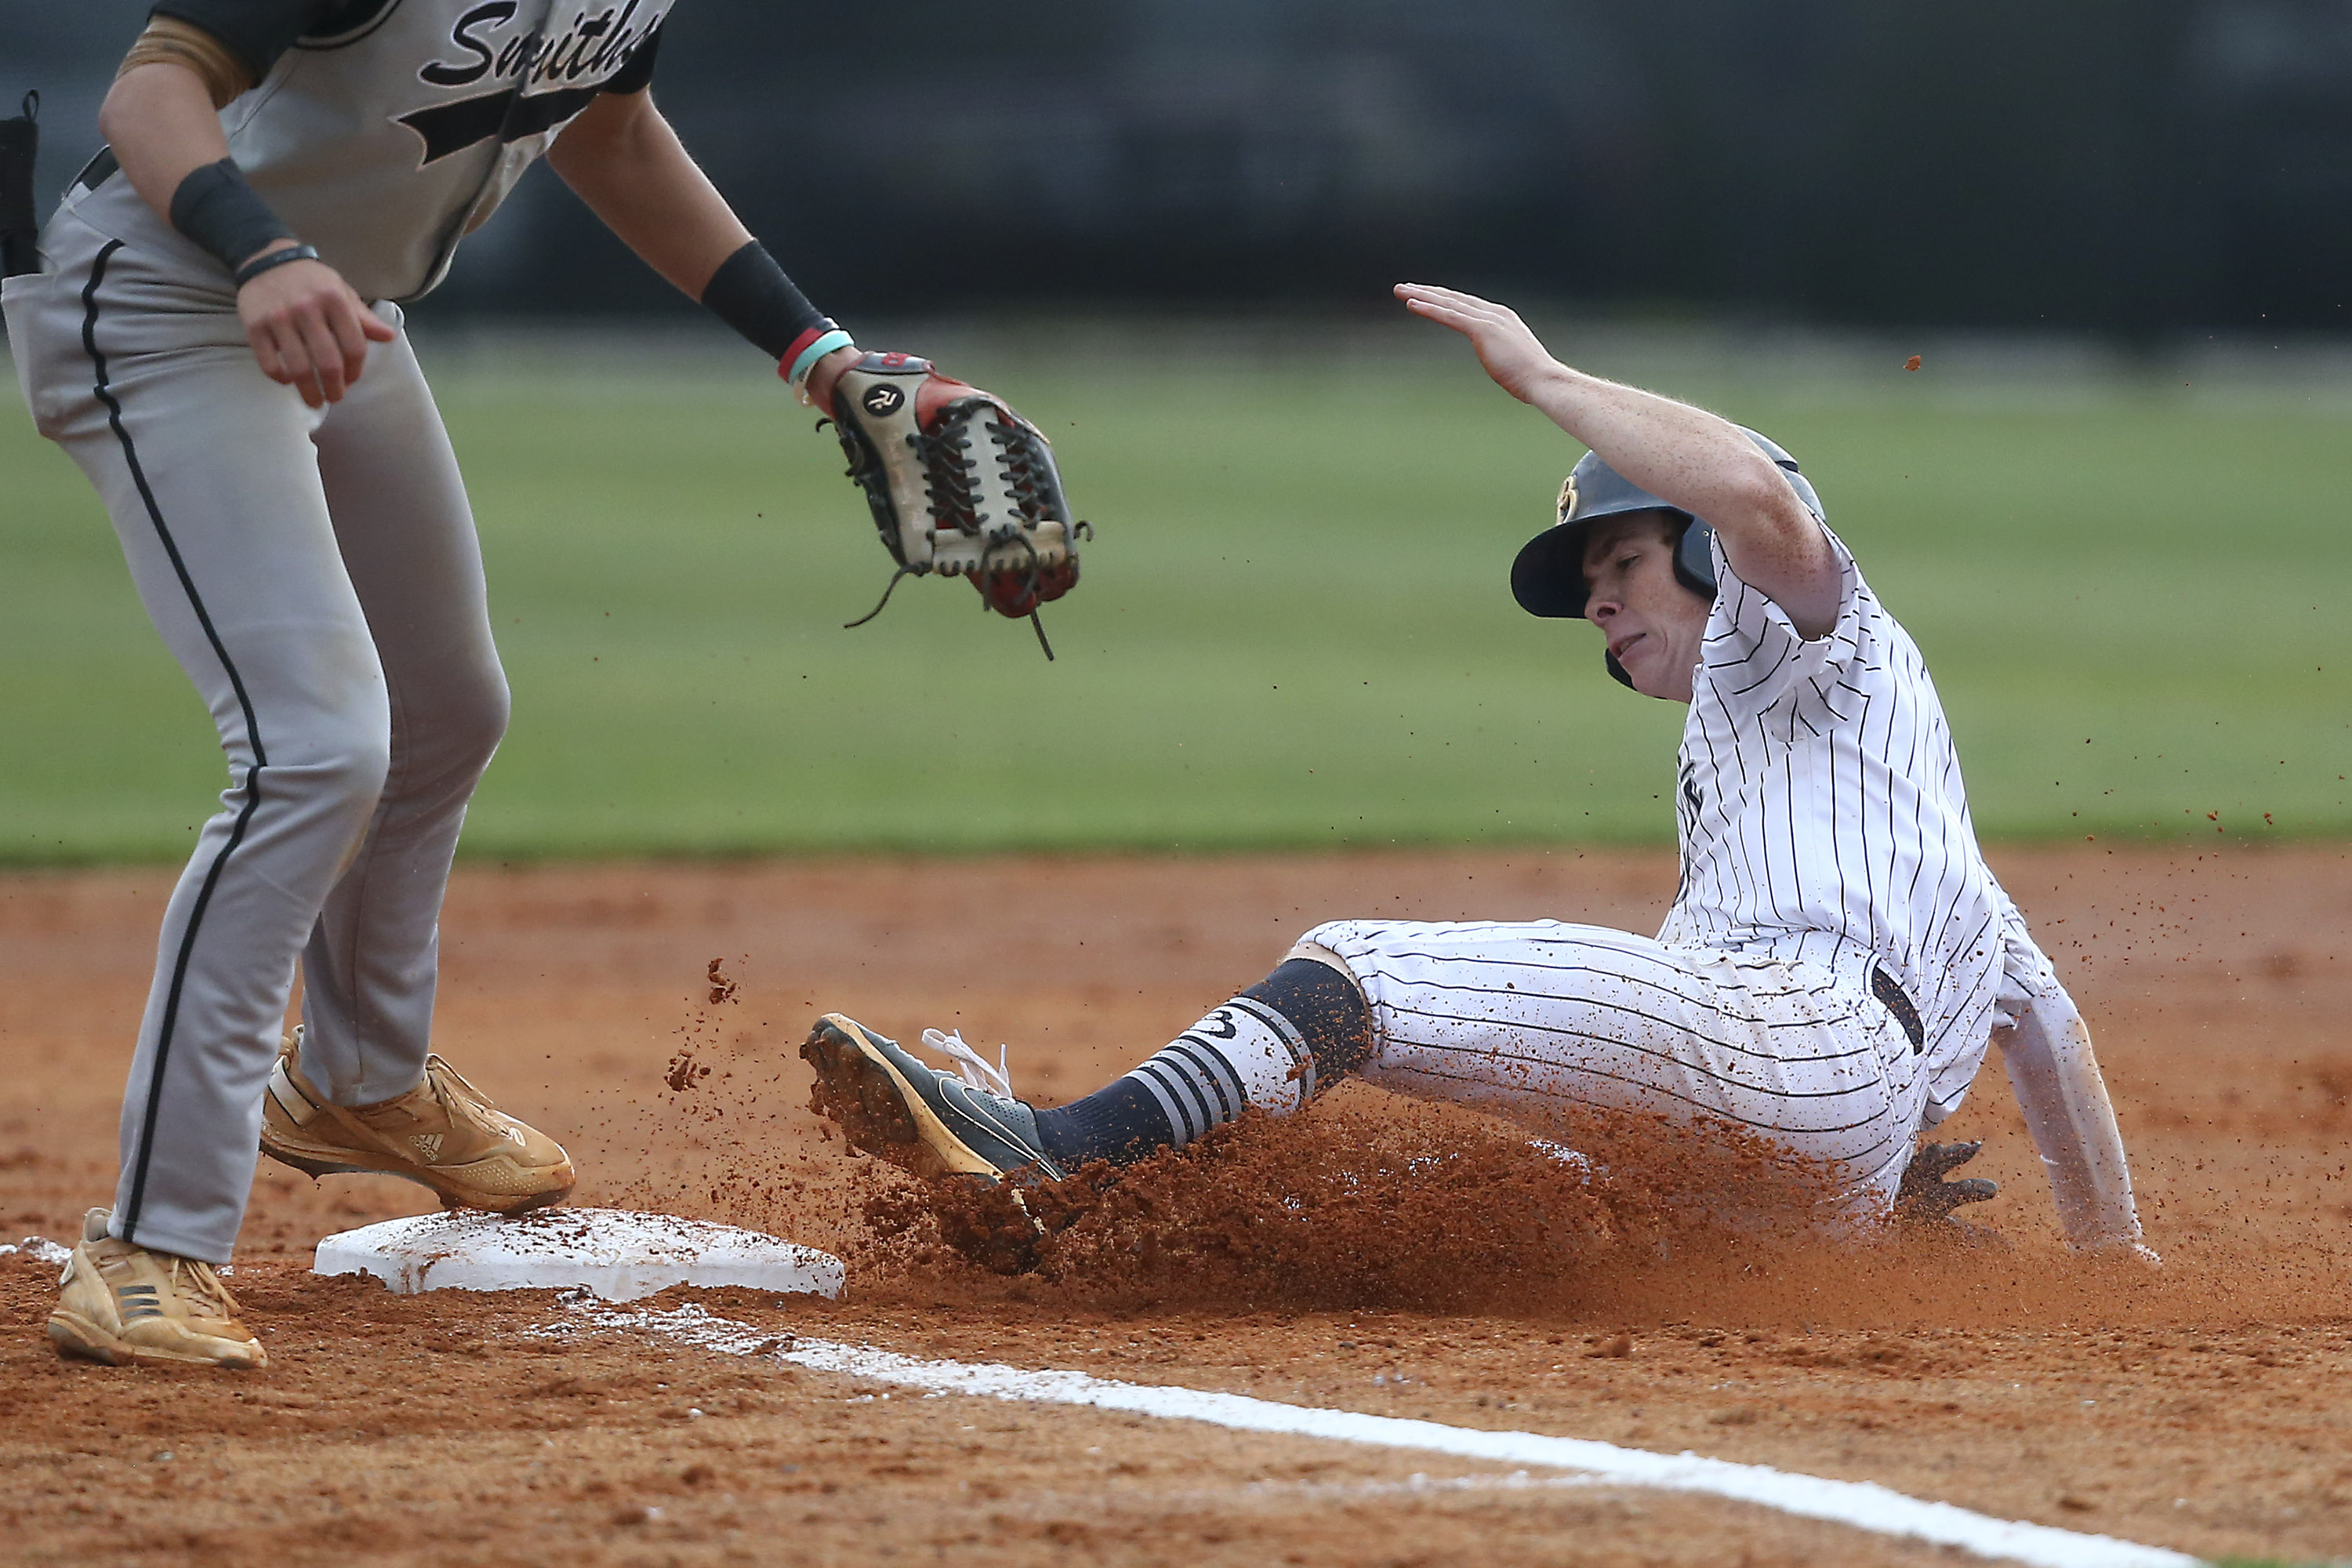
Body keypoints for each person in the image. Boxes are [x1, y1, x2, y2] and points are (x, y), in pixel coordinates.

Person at [802, 284, 2152, 1261]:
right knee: (1491, 1216)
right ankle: (1134, 1240)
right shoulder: (1894, 800)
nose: (1600, 607)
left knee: (1354, 971)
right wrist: (2112, 1266)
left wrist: (1549, 381)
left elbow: (1768, 498)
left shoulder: (1814, 635)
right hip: (1807, 1154)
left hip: (1804, 1049)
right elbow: (2045, 1030)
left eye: (1619, 565)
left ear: (1702, 553)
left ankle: (1061, 1156)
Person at [3, 0, 942, 1370]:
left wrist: (819, 354)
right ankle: (148, 1246)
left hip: (341, 312)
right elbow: (150, 98)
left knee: (448, 707)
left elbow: (613, 139)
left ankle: (360, 1084)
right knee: (312, 751)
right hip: (163, 293)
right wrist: (262, 254)